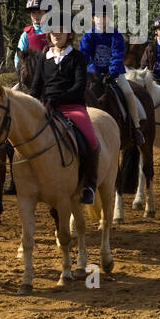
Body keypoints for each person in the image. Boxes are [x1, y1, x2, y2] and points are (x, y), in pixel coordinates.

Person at [28, 28, 99, 205]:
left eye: (61, 31)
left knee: (90, 140)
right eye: (53, 32)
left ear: (70, 35)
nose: (56, 35)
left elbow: (79, 86)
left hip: (72, 107)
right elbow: (36, 86)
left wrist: (57, 99)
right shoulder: (44, 57)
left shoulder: (77, 57)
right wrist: (30, 103)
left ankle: (89, 185)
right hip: (46, 107)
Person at [79, 4, 145, 146]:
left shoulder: (115, 34)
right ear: (93, 19)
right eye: (98, 17)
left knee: (128, 93)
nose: (101, 20)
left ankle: (136, 126)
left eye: (104, 17)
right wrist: (91, 72)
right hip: (94, 74)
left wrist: (112, 72)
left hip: (114, 74)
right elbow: (85, 56)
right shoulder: (88, 35)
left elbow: (117, 55)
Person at [14, 0, 50, 67]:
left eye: (39, 12)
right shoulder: (26, 35)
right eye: (33, 13)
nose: (36, 16)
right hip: (32, 74)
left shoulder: (54, 31)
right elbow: (19, 57)